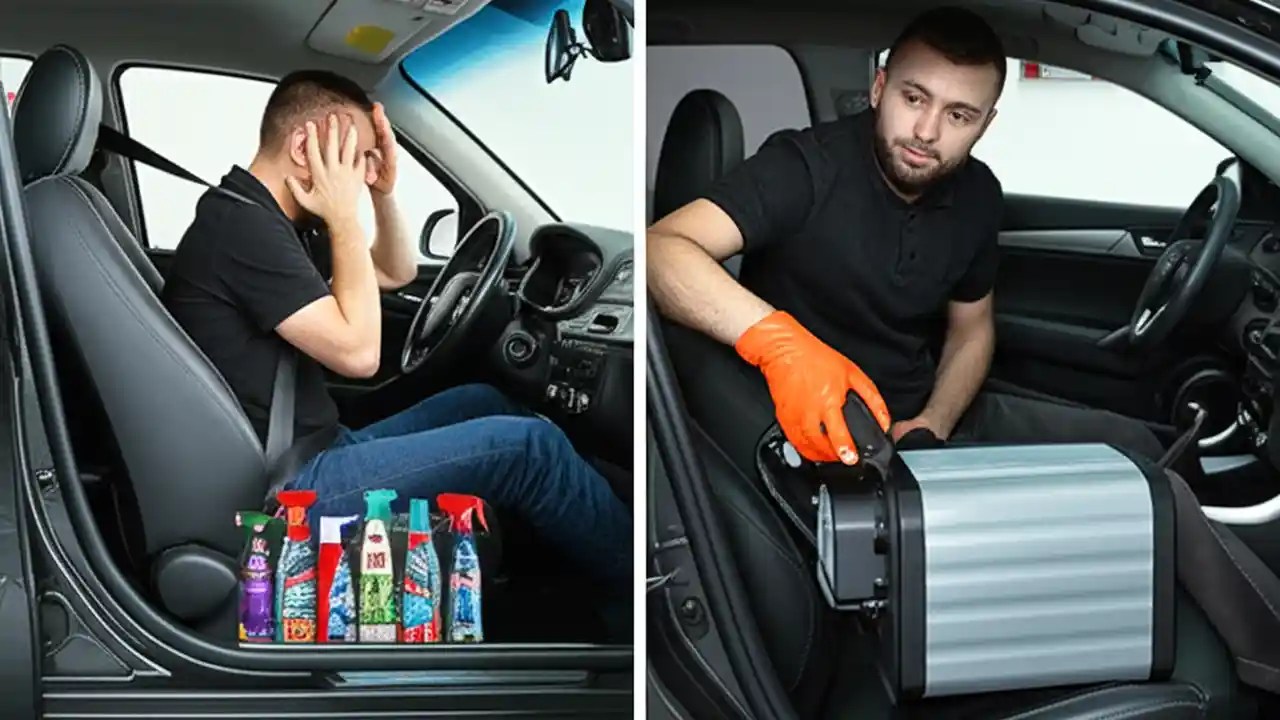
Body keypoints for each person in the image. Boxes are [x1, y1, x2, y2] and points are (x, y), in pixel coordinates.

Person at [161, 70, 631, 624]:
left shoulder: (269, 218)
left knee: (484, 399)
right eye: (357, 157)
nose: (362, 173)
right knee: (531, 449)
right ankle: (642, 597)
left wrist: (381, 196)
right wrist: (341, 215)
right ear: (305, 148)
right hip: (289, 488)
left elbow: (394, 270)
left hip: (312, 447)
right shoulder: (242, 228)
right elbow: (359, 356)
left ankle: (560, 576)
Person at [647, 6, 1167, 468]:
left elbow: (971, 329)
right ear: (879, 88)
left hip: (926, 423)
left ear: (985, 124)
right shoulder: (804, 167)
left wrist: (934, 422)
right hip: (820, 427)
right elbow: (663, 250)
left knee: (1132, 446)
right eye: (914, 98)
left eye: (958, 115)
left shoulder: (980, 195)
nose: (926, 131)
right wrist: (784, 348)